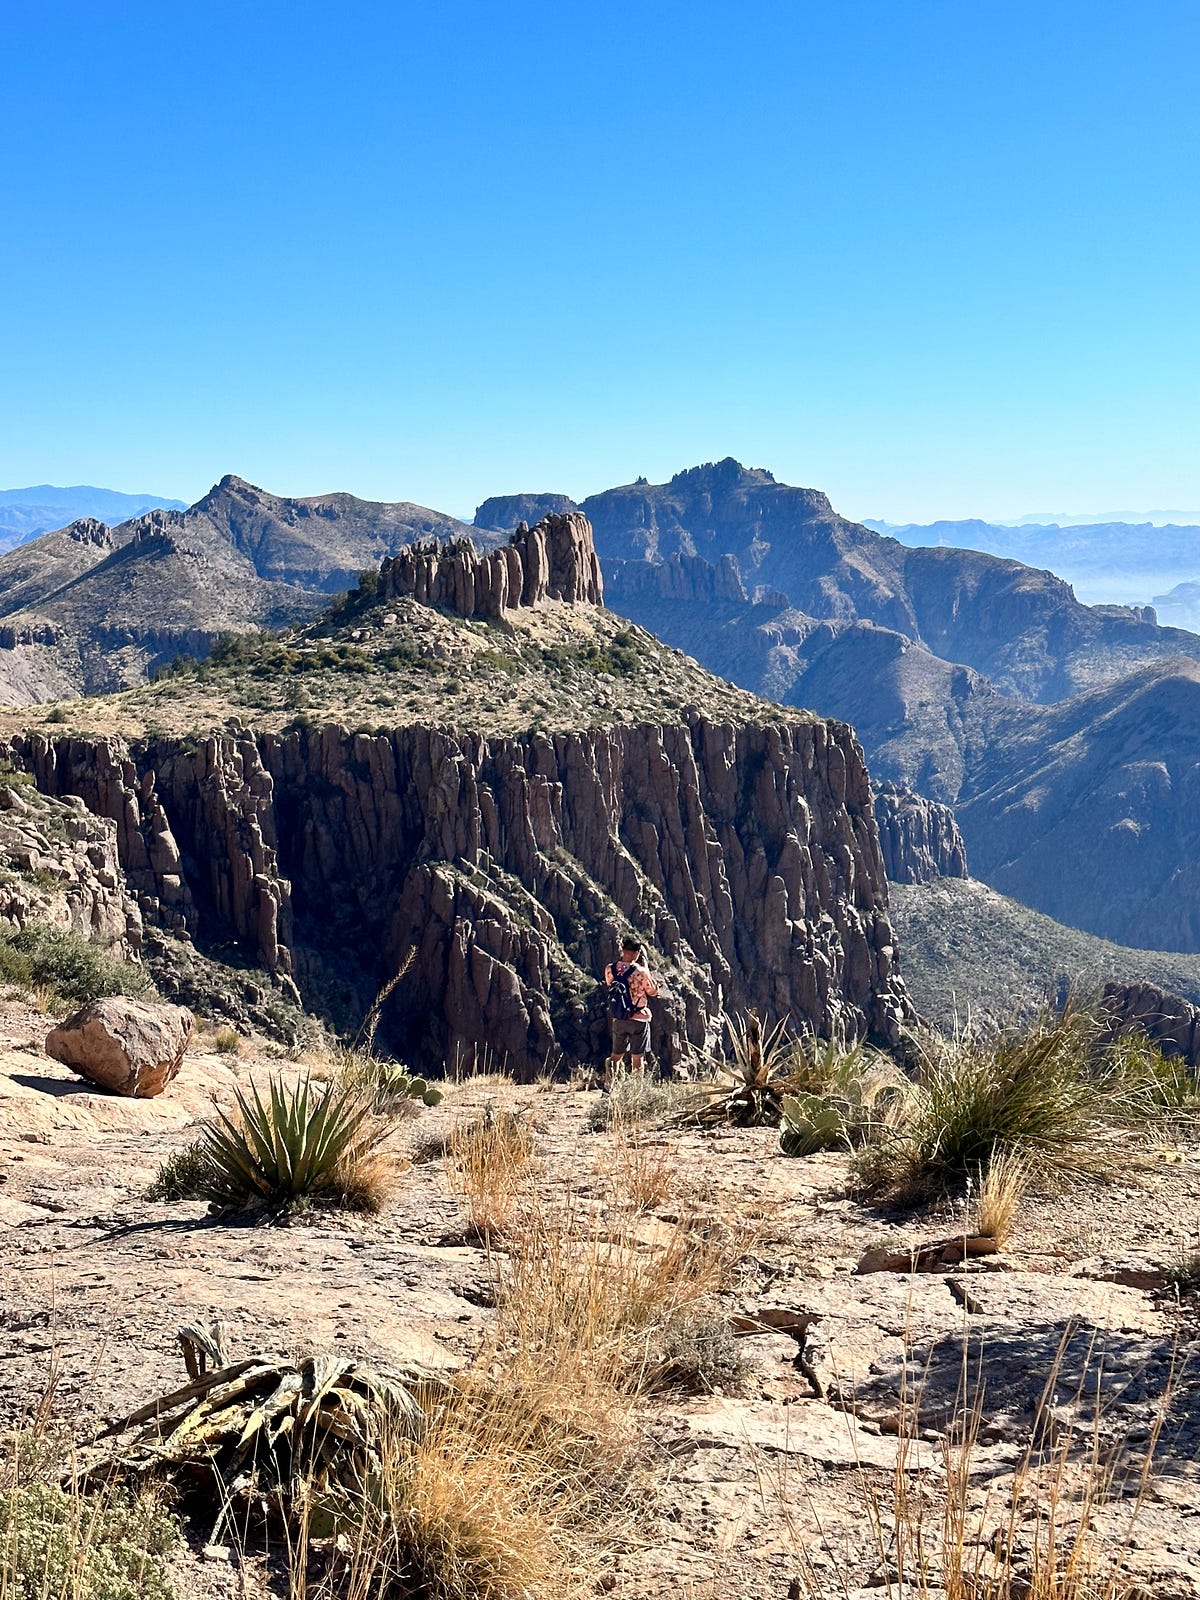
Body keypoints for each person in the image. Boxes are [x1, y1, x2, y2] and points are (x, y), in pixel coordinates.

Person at [604, 936, 660, 1077]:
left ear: (622, 950)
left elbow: (610, 986)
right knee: (637, 1057)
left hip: (619, 1018)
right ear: (637, 953)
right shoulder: (641, 972)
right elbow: (653, 992)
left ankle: (608, 1087)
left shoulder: (610, 969)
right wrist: (646, 970)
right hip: (638, 1019)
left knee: (615, 1056)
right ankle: (635, 1090)